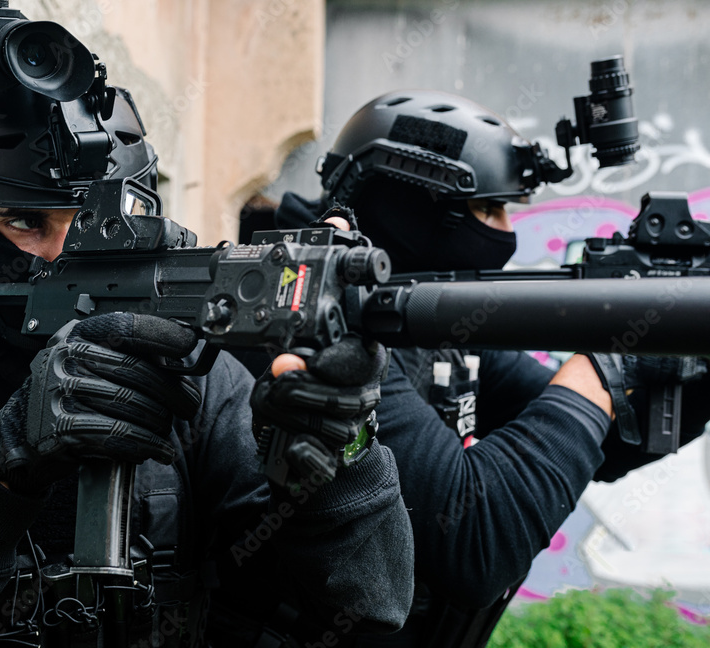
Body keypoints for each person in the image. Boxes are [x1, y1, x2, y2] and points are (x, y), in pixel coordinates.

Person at [0, 56, 416, 647]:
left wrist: (340, 464)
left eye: (96, 223)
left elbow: (363, 613)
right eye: (23, 222)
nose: (67, 253)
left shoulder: (197, 380)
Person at [271, 89, 710, 647]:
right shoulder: (316, 337)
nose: (506, 231)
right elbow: (476, 543)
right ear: (410, 208)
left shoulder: (443, 324)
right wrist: (605, 361)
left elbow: (602, 441)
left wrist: (694, 366)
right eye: (489, 209)